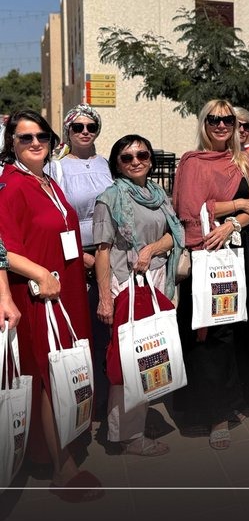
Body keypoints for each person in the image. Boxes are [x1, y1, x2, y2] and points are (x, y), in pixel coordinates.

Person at [0, 110, 102, 501]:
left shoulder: (45, 180)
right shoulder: (9, 185)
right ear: (11, 142)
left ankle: (55, 445)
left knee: (65, 368)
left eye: (41, 135)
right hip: (39, 293)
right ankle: (62, 467)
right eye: (25, 137)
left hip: (67, 290)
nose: (35, 142)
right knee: (49, 375)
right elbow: (3, 248)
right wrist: (41, 275)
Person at [171, 99, 249, 450]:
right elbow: (188, 210)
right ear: (204, 123)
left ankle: (237, 399)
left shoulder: (243, 160)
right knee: (212, 336)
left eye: (227, 119)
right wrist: (236, 206)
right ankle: (214, 414)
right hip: (207, 255)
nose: (221, 125)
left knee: (240, 329)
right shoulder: (191, 162)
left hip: (237, 251)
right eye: (213, 119)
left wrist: (231, 221)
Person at [93, 134, 186, 456]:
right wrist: (105, 298)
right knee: (131, 363)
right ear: (117, 164)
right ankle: (127, 435)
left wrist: (151, 248)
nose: (136, 161)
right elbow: (102, 251)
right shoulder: (110, 198)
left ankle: (138, 421)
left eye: (142, 155)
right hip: (126, 287)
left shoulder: (158, 194)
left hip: (157, 282)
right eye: (127, 157)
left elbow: (174, 236)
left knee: (150, 357)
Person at [51, 104, 114, 415]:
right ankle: (85, 402)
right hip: (76, 253)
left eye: (91, 126)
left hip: (110, 249)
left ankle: (107, 398)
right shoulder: (57, 168)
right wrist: (84, 258)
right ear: (68, 131)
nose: (85, 131)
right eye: (78, 127)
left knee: (109, 328)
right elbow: (58, 219)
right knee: (84, 327)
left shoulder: (106, 164)